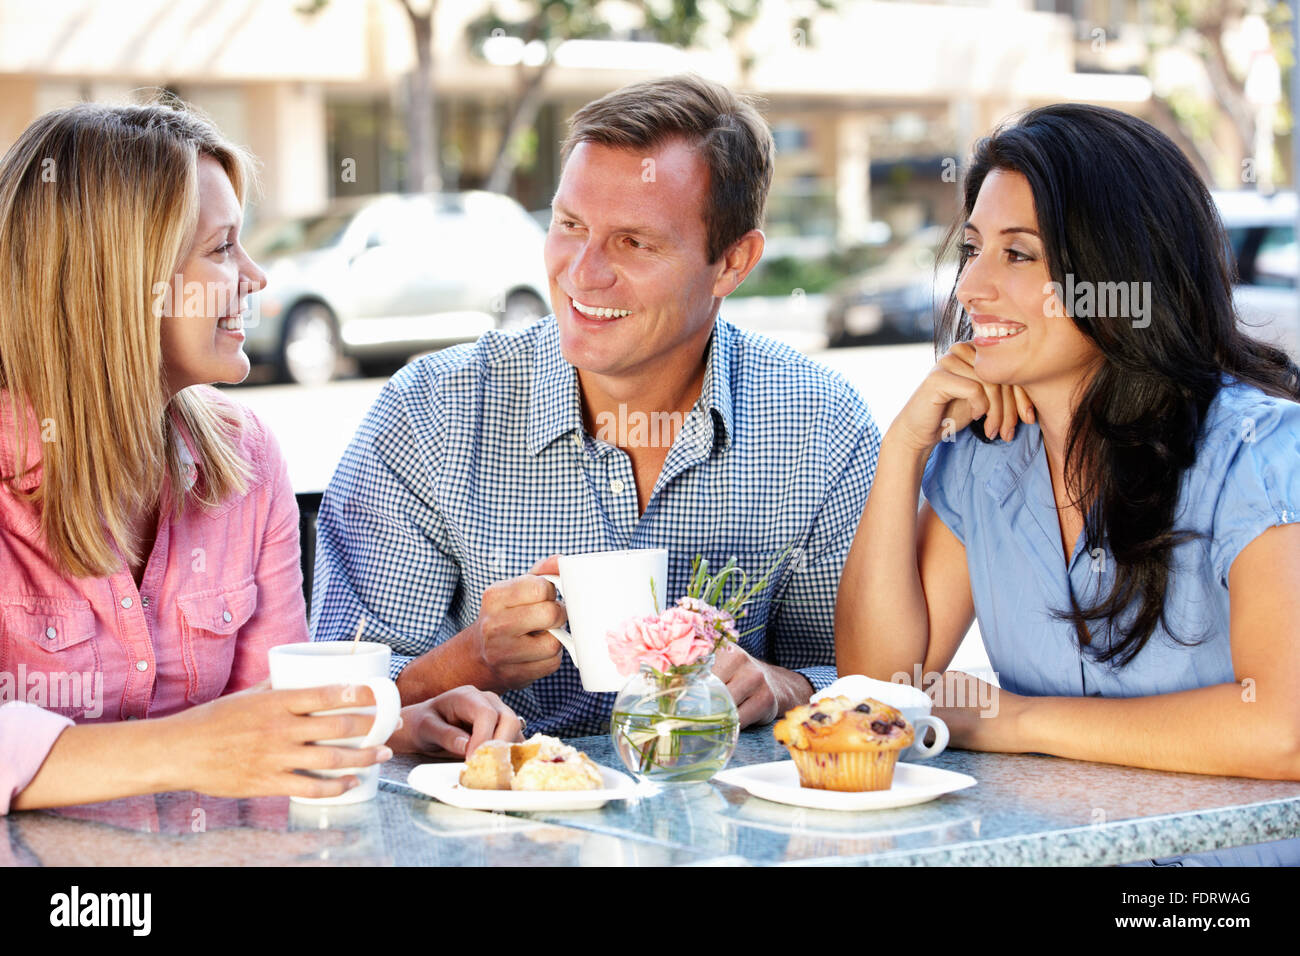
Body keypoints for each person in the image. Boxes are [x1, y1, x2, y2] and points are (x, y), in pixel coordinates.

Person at [311, 75, 881, 735]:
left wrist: (781, 686)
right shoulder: (430, 412)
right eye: (570, 225)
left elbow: (873, 680)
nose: (582, 272)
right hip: (492, 825)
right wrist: (472, 661)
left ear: (732, 263)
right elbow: (338, 698)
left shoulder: (819, 425)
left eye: (633, 242)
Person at [0, 100, 520, 814]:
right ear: (123, 279)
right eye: (221, 249)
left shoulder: (243, 458)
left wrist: (390, 727)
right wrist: (186, 748)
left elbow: (264, 717)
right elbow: (217, 743)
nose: (257, 276)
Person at [834, 103, 1300, 865]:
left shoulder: (1261, 454)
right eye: (974, 250)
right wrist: (903, 449)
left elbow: (1284, 729)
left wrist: (1014, 720)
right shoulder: (983, 462)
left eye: (1019, 256)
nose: (972, 288)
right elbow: (877, 690)